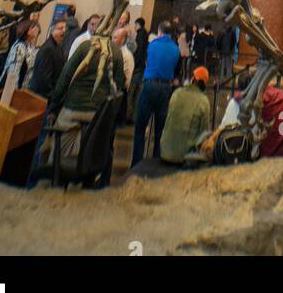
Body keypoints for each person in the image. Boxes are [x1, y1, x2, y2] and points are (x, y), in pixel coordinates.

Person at [48, 33, 125, 178]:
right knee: (91, 152)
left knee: (59, 154)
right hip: (98, 111)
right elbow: (119, 83)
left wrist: (54, 105)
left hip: (74, 107)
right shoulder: (116, 51)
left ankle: (55, 178)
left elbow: (66, 76)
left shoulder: (84, 47)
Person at [132, 19, 180, 163]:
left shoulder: (152, 44)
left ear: (159, 31)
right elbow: (176, 70)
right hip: (165, 88)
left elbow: (147, 60)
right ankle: (156, 163)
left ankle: (136, 163)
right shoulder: (176, 49)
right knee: (160, 131)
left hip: (149, 86)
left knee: (140, 128)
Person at [160, 66, 211, 165]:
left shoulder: (176, 93)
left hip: (164, 152)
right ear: (205, 84)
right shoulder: (203, 101)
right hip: (185, 158)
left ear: (192, 79)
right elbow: (203, 134)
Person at [29, 18, 67, 101]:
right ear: (52, 30)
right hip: (41, 96)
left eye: (65, 28)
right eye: (60, 28)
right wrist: (52, 95)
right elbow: (44, 77)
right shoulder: (48, 48)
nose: (64, 31)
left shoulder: (57, 46)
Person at [2, 19, 40, 93]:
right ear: (25, 29)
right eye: (33, 27)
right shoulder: (20, 46)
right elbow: (13, 71)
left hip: (25, 87)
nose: (36, 29)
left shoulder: (31, 46)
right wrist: (14, 91)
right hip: (16, 87)